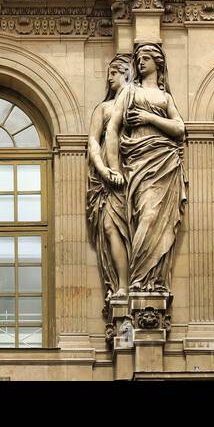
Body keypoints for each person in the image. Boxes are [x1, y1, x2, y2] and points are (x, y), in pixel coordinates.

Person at [105, 42, 187, 293]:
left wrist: (149, 118)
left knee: (156, 217)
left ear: (157, 63)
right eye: (139, 59)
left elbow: (180, 128)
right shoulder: (129, 91)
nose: (141, 63)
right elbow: (112, 129)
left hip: (165, 162)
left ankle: (147, 281)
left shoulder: (165, 97)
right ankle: (137, 280)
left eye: (146, 58)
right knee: (145, 216)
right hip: (138, 163)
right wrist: (114, 168)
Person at [87, 54, 132, 299]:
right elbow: (93, 140)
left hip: (136, 170)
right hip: (109, 177)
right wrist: (104, 170)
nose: (109, 77)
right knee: (110, 225)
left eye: (114, 73)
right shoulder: (103, 108)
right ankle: (122, 285)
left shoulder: (139, 101)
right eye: (108, 74)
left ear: (127, 73)